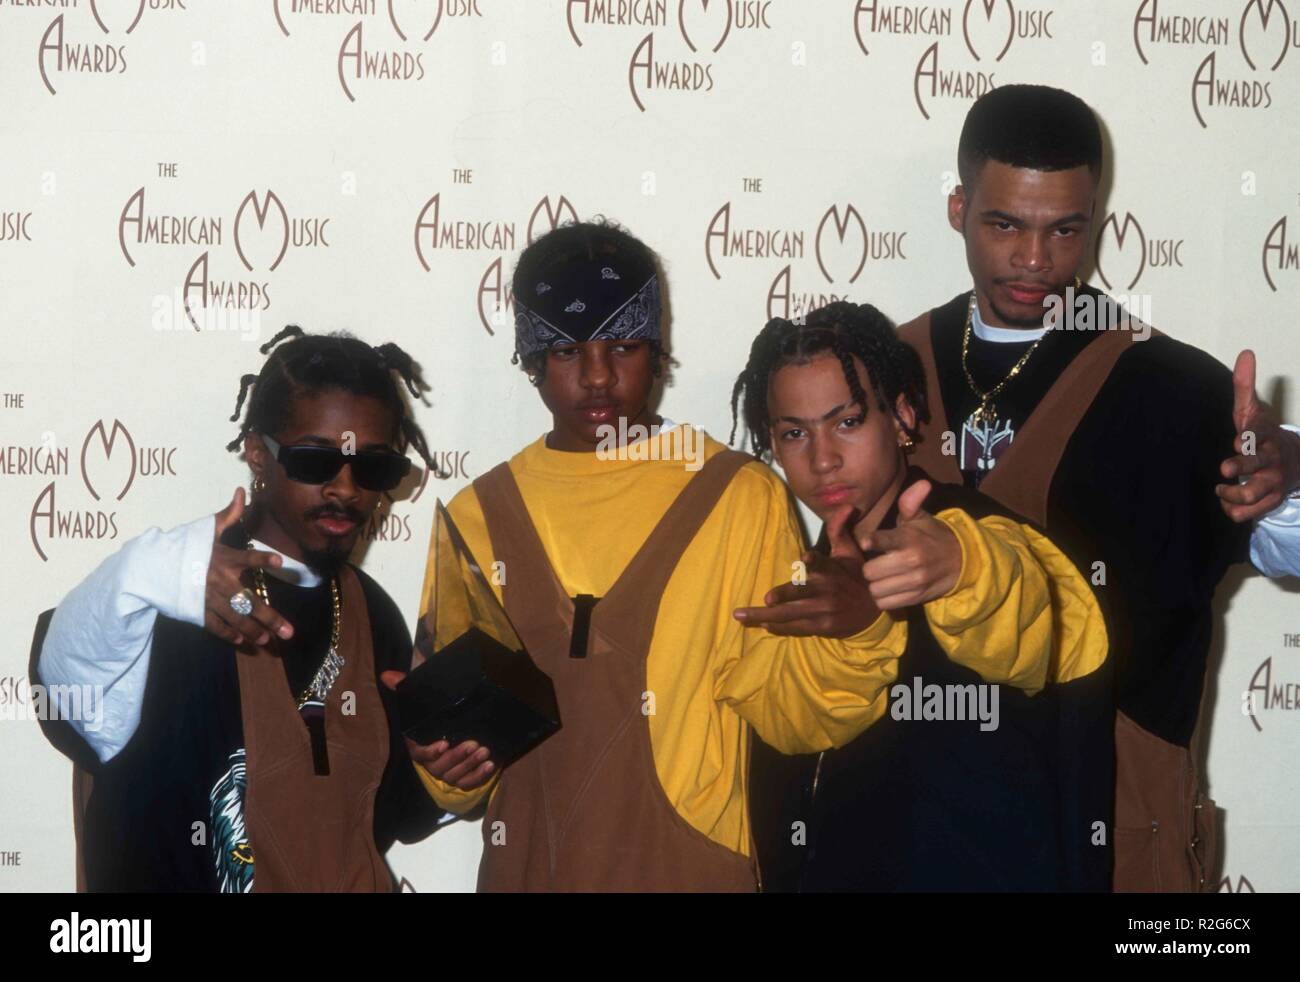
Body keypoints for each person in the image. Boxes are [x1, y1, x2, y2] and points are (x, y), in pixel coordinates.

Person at [407, 218, 915, 892]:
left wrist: (857, 633)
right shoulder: (477, 516)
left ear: (657, 347)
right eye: (565, 352)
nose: (597, 377)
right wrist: (443, 765)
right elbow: (459, 775)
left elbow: (796, 716)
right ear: (529, 362)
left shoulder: (737, 496)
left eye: (622, 346)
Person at [894, 84, 1300, 891]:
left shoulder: (1177, 389)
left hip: (1118, 825)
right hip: (917, 816)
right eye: (1004, 224)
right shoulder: (882, 373)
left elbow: (1282, 541)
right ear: (956, 208)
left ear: (1095, 223)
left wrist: (1286, 479)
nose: (1035, 260)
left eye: (1064, 230)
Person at [33, 327, 445, 892]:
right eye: (314, 460)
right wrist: (163, 574)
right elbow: (61, 677)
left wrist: (443, 768)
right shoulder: (161, 600)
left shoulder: (373, 615)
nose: (347, 489)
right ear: (258, 454)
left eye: (373, 469)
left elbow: (387, 818)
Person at [733, 301, 1109, 890]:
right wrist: (856, 631)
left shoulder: (978, 532)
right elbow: (792, 732)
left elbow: (1037, 619)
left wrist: (961, 566)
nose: (823, 458)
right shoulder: (805, 572)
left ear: (904, 416)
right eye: (794, 433)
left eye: (848, 421)